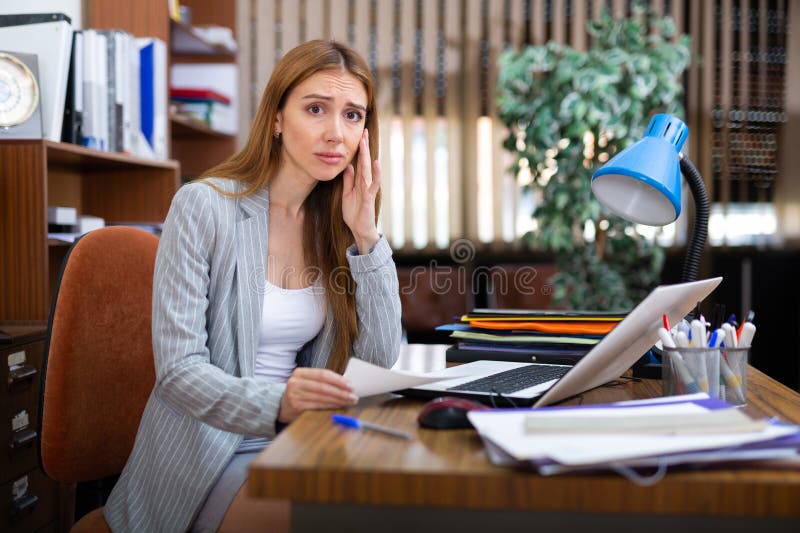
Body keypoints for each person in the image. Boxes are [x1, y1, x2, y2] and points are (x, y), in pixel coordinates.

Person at [104, 40, 402, 532]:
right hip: (207, 455)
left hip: (299, 440)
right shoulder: (204, 206)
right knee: (327, 516)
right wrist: (278, 403)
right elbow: (178, 372)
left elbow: (377, 357)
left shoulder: (332, 227)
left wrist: (367, 237)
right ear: (278, 118)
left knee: (390, 502)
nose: (336, 133)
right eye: (315, 109)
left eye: (353, 116)